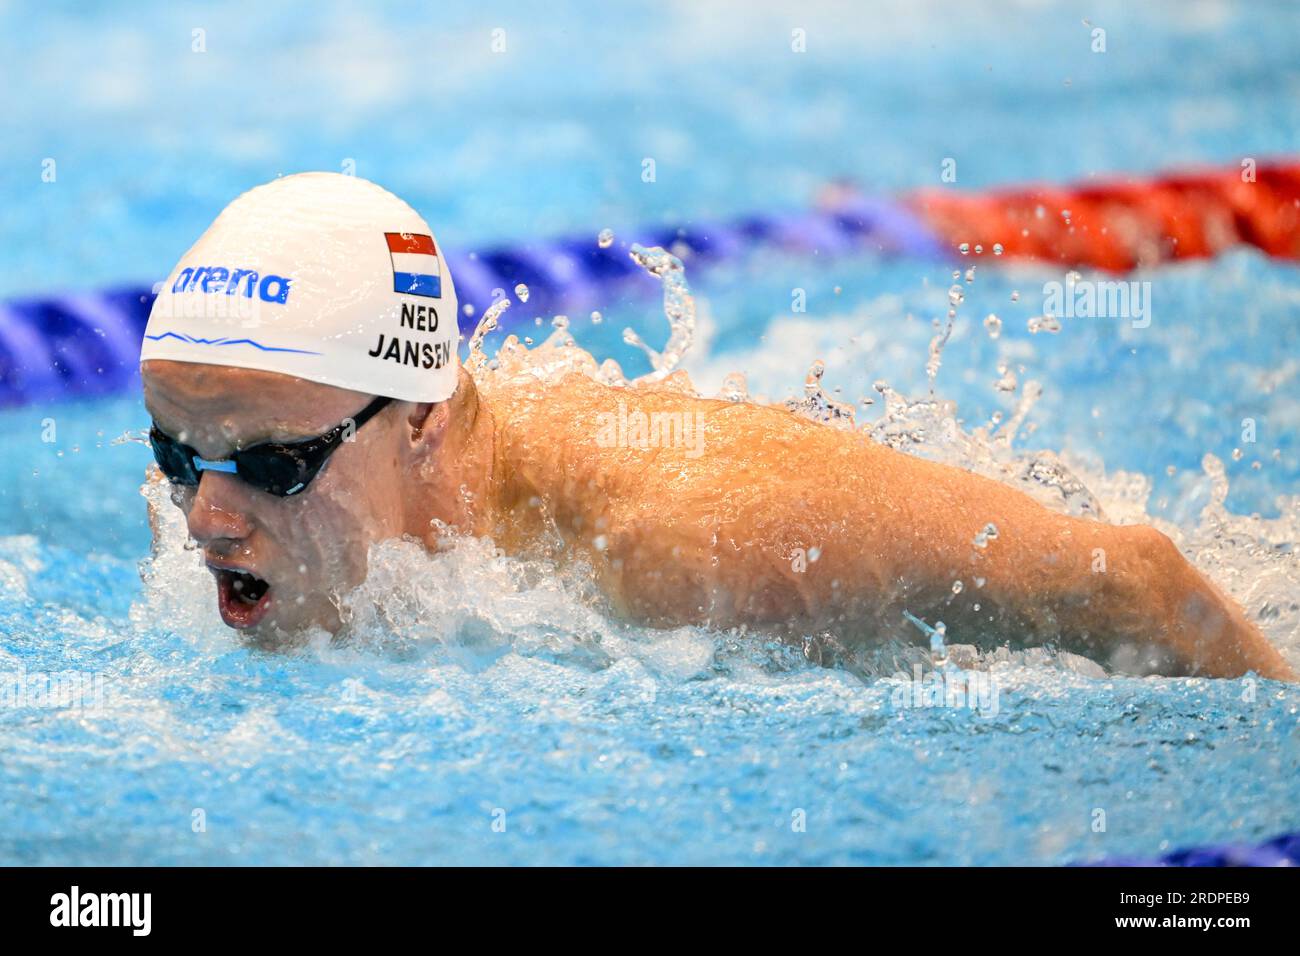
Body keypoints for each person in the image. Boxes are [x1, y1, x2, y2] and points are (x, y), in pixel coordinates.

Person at [139, 173, 1295, 680]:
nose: (204, 517)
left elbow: (1131, 584)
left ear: (427, 421)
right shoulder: (277, 486)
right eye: (175, 454)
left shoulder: (699, 548)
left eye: (273, 465)